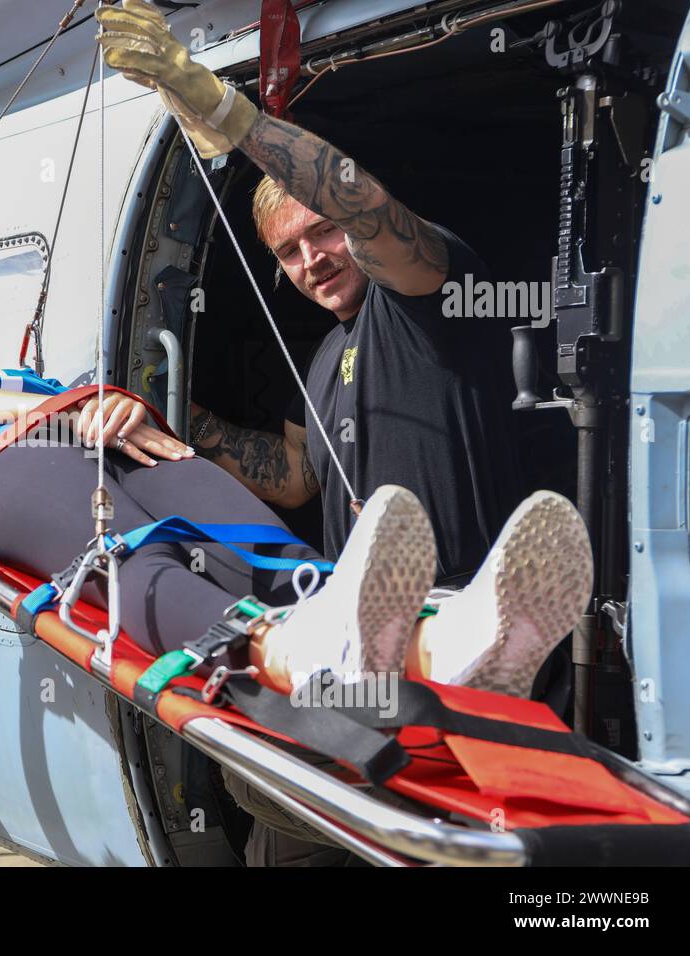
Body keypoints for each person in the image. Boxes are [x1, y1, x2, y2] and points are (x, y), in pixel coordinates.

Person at [0, 275, 591, 708]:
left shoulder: (28, 376)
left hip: (102, 442)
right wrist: (54, 411)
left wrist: (114, 404)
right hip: (1, 470)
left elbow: (89, 411)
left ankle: (431, 640)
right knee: (130, 552)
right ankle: (283, 652)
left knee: (237, 524)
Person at [95, 0, 523, 586]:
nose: (311, 260)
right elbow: (295, 474)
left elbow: (368, 210)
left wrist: (224, 111)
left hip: (469, 611)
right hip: (365, 626)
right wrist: (156, 410)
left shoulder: (423, 294)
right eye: (288, 252)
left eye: (323, 231)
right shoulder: (324, 358)